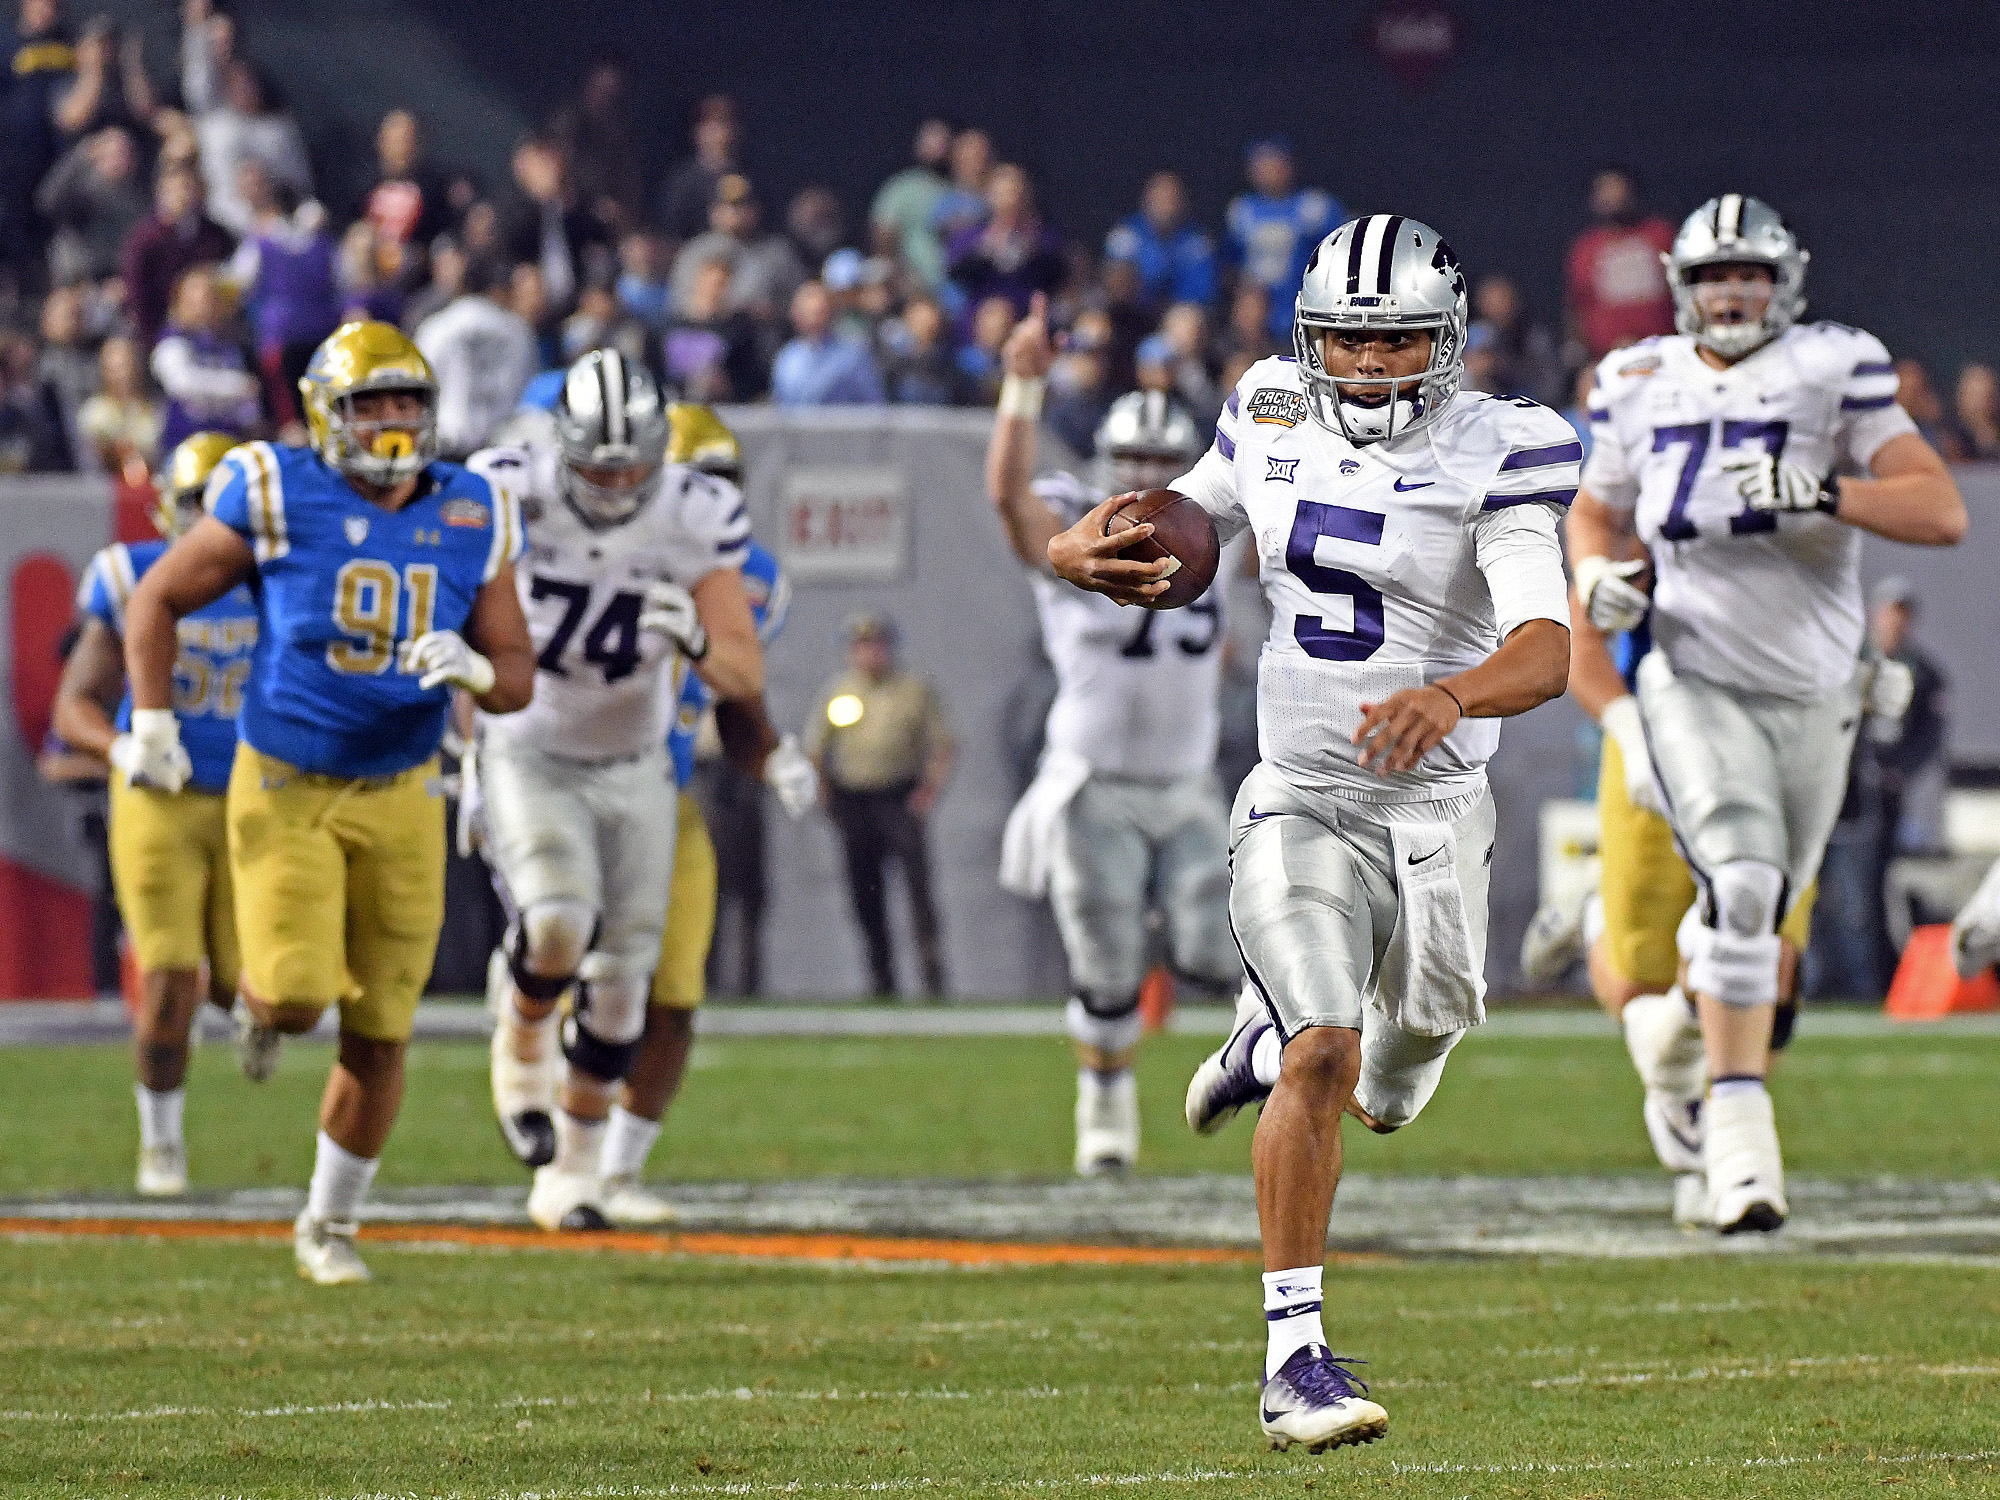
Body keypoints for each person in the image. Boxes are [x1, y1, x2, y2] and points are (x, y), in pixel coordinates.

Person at [1056, 214, 1575, 1452]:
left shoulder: (1499, 450)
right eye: (1347, 340)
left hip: (1435, 816)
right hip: (1295, 795)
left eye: (1396, 341)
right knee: (1325, 1055)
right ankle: (1294, 1360)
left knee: (1389, 1086)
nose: (1369, 363)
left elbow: (1545, 651)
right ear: (1310, 340)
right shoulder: (1269, 407)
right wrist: (1083, 545)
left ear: (1446, 342)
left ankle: (1258, 1042)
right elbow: (1184, 517)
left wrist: (1450, 695)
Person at [1567, 195, 1964, 1235]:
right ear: (1680, 288)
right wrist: (1595, 576)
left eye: (1748, 274)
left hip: (1815, 692)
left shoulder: (1834, 366)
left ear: (1783, 281)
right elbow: (1593, 515)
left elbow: (1939, 510)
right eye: (1712, 276)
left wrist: (1824, 491)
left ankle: (1677, 1053)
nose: (1731, 294)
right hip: (1688, 678)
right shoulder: (1635, 379)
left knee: (1758, 917)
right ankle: (1741, 1147)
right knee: (1740, 886)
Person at [118, 320, 536, 1284]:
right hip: (288, 784)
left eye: (407, 402)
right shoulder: (277, 488)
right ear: (323, 413)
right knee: (298, 996)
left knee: (383, 1027)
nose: (391, 421)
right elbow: (157, 598)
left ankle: (329, 1224)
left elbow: (518, 673)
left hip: (405, 788)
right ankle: (259, 1010)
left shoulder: (474, 507)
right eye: (369, 403)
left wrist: (476, 670)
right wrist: (153, 721)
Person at [464, 351, 764, 1232]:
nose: (617, 483)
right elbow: (454, 605)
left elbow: (743, 668)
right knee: (560, 922)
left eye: (632, 465)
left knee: (625, 984)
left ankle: (573, 1176)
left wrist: (697, 642)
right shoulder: (507, 489)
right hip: (531, 747)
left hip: (636, 760)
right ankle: (522, 1043)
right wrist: (460, 729)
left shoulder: (695, 510)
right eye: (598, 467)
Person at [987, 296, 1237, 1175]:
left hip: (1187, 782)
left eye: (1163, 462)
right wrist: (1022, 391)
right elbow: (1010, 502)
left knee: (1216, 948)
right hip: (1093, 782)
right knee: (1105, 956)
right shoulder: (1078, 523)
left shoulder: (1220, 528)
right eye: (1132, 460)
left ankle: (1252, 1064)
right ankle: (1105, 1105)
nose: (1146, 477)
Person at [594, 402, 819, 1225]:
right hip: (574, 785)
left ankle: (617, 1171)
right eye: (695, 481)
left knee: (676, 992)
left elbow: (730, 691)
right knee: (579, 970)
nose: (708, 501)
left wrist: (771, 751)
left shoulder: (750, 578)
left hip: (666, 792)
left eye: (723, 483)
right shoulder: (593, 548)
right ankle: (560, 1137)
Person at [52, 433, 253, 1196]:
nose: (209, 521)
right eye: (197, 503)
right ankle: (161, 1142)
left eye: (222, 504)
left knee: (257, 987)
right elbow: (76, 705)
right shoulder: (131, 574)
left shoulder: (281, 576)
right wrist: (124, 748)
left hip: (255, 800)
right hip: (160, 802)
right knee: (169, 983)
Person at [804, 614, 955, 997]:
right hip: (855, 801)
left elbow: (943, 744)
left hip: (898, 797)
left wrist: (928, 791)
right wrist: (824, 793)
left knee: (918, 892)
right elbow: (815, 748)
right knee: (866, 893)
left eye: (877, 645)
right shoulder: (839, 691)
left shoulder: (912, 689)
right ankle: (881, 981)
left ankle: (933, 980)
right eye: (861, 646)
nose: (870, 654)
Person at [414, 255, 538, 459]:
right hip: (503, 450)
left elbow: (420, 387)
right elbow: (526, 388)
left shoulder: (436, 327)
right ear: (499, 290)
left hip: (445, 447)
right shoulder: (518, 330)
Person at [1222, 138, 1339, 341]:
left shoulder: (1314, 207)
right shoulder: (1242, 210)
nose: (1269, 171)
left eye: (1274, 163)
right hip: (1255, 315)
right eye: (1262, 164)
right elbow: (1230, 266)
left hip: (1304, 307)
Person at [1563, 167, 1675, 363]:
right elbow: (1578, 307)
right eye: (1607, 191)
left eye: (1619, 190)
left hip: (1664, 353)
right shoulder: (1585, 249)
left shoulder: (1661, 235)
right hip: (1607, 358)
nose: (1614, 197)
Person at [121, 162, 235, 351]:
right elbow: (138, 295)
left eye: (189, 188)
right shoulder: (145, 241)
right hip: (162, 334)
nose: (183, 195)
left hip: (214, 336)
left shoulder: (215, 235)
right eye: (176, 189)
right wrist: (152, 341)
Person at [150, 263, 260, 447]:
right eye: (199, 298)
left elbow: (248, 405)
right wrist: (237, 385)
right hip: (187, 444)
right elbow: (182, 383)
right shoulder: (173, 341)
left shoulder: (228, 343)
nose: (206, 305)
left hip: (230, 439)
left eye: (212, 297)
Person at [1104, 171, 1218, 312]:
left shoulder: (1197, 242)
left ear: (1183, 202)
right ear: (1146, 199)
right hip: (1130, 312)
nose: (1165, 206)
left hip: (1177, 313)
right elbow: (1113, 288)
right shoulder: (1125, 235)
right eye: (1159, 198)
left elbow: (1203, 294)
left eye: (1171, 199)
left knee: (1186, 318)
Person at [869, 118, 952, 294]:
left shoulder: (959, 188)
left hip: (954, 286)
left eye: (943, 142)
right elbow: (884, 232)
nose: (938, 149)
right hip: (914, 286)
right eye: (931, 143)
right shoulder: (903, 187)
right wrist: (900, 276)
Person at [772, 280, 885, 406]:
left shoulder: (853, 356)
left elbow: (873, 404)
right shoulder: (787, 356)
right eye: (806, 312)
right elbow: (780, 404)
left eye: (819, 312)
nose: (814, 320)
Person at [654, 94, 740, 244]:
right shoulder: (683, 181)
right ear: (698, 132)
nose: (721, 134)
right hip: (696, 251)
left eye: (726, 125)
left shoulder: (746, 174)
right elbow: (671, 231)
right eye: (712, 127)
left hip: (745, 250)